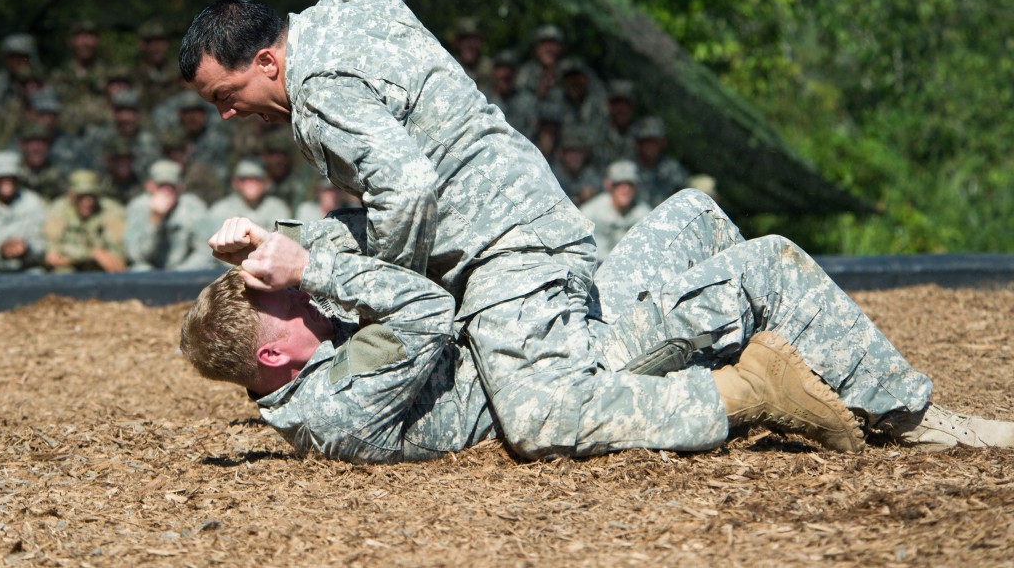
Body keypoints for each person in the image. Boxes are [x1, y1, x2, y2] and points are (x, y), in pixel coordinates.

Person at [181, 190, 1014, 463]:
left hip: (537, 324)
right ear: (271, 352)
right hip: (566, 361)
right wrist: (315, 266)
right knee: (768, 262)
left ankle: (811, 366)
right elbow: (429, 308)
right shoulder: (340, 396)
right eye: (289, 301)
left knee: (690, 211)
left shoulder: (311, 371)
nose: (307, 298)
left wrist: (289, 241)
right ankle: (910, 417)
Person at [179, 0, 596, 456]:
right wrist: (274, 242)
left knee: (541, 423)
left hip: (507, 250)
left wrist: (383, 301)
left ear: (267, 62)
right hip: (521, 208)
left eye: (226, 95)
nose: (227, 114)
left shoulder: (319, 94)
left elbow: (409, 191)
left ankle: (729, 393)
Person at [124, 159, 211, 271]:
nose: (166, 191)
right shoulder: (138, 207)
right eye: (161, 186)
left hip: (183, 272)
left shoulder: (193, 207)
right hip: (149, 273)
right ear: (149, 186)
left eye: (171, 186)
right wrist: (155, 218)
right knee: (138, 269)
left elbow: (204, 251)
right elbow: (136, 255)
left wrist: (179, 273)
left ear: (180, 187)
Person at [0, 150, 47, 275]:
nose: (7, 182)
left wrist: (26, 250)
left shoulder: (33, 202)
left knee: (37, 274)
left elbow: (41, 246)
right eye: (2, 177)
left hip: (24, 268)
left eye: (12, 177)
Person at [43, 169, 127, 273]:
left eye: (92, 196)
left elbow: (118, 259)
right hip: (68, 272)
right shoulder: (58, 210)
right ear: (71, 196)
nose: (88, 202)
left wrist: (69, 257)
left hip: (100, 271)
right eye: (81, 197)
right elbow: (52, 257)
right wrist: (92, 254)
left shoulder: (111, 211)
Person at [205, 158, 291, 243]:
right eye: (244, 178)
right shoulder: (220, 209)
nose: (251, 182)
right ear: (235, 183)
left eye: (257, 178)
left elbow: (284, 242)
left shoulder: (278, 208)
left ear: (266, 182)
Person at [579, 159, 652, 257]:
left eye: (630, 184)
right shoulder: (590, 212)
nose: (625, 189)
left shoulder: (645, 215)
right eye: (619, 184)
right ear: (609, 185)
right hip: (598, 267)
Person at [631, 115, 690, 208]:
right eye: (646, 141)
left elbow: (685, 197)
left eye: (654, 141)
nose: (650, 146)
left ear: (662, 143)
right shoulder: (628, 168)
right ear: (638, 143)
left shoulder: (673, 170)